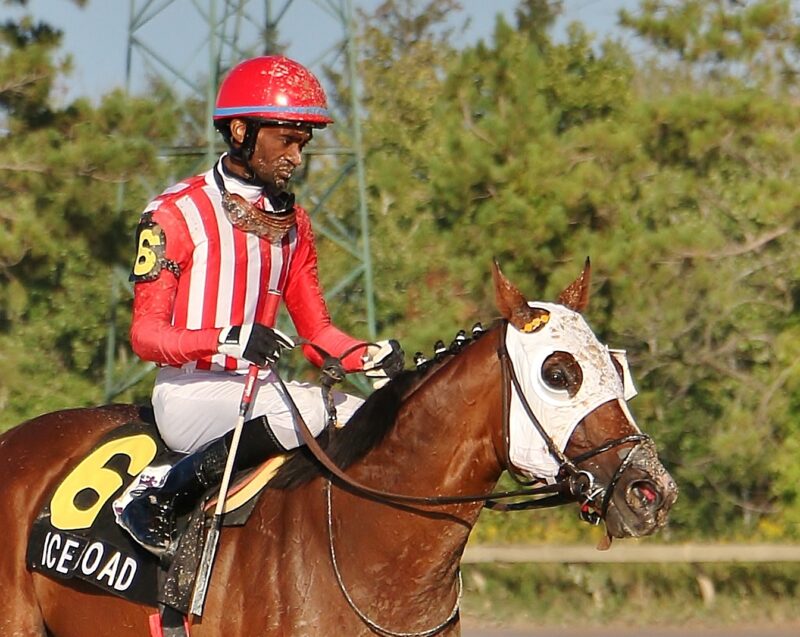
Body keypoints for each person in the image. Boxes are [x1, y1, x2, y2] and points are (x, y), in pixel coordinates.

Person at [118, 55, 404, 555]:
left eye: (302, 143)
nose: (296, 157)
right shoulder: (174, 212)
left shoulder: (295, 225)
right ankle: (158, 497)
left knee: (364, 416)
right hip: (190, 395)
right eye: (286, 140)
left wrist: (366, 356)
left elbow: (318, 335)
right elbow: (145, 335)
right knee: (314, 410)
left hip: (263, 395)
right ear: (239, 131)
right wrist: (225, 339)